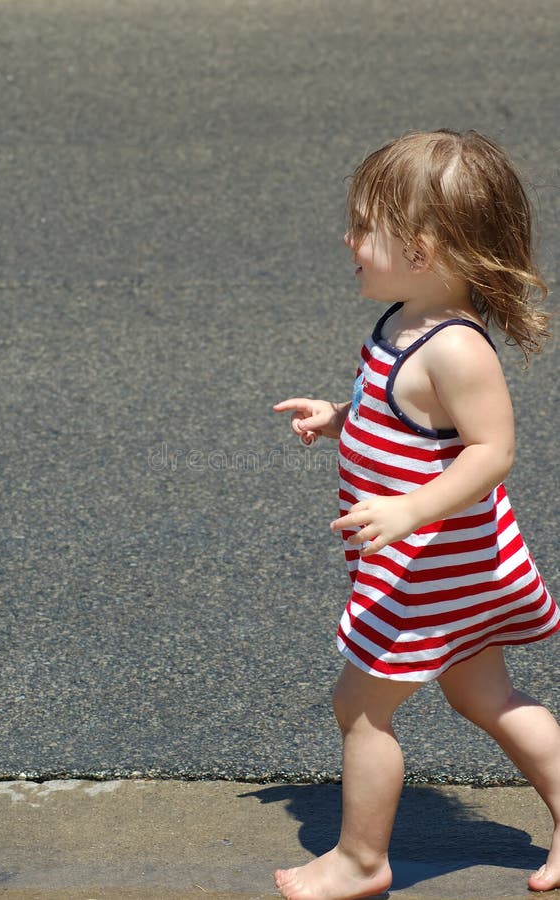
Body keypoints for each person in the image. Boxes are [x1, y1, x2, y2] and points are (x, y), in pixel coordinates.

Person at [273, 129, 560, 900]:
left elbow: (490, 451)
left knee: (358, 705)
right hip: (438, 558)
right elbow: (400, 418)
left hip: (429, 564)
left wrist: (408, 510)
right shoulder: (404, 323)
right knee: (481, 695)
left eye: (365, 227)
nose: (348, 238)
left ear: (424, 249)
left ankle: (362, 862)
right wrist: (337, 416)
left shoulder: (456, 350)